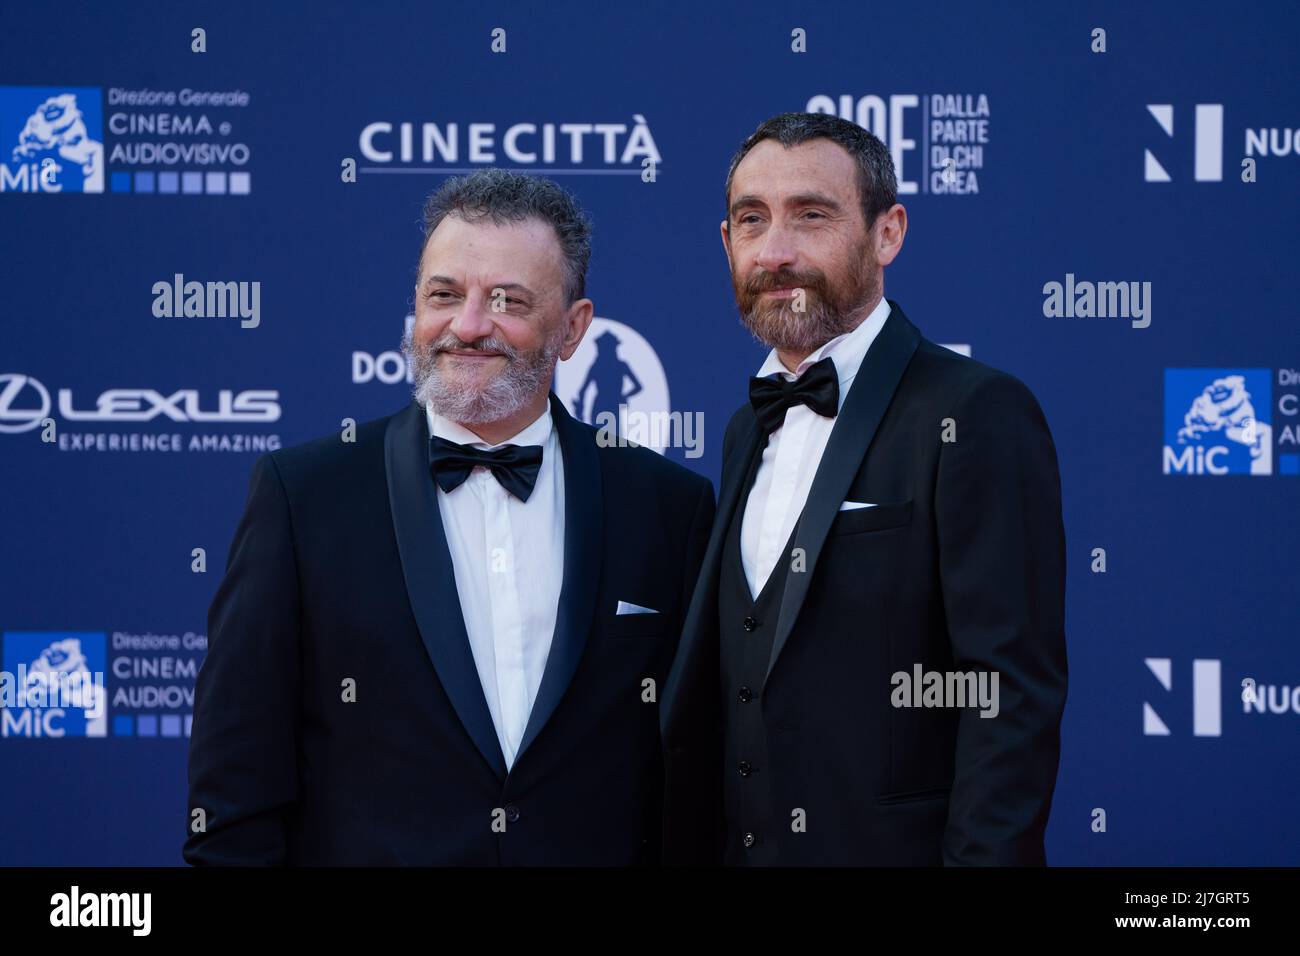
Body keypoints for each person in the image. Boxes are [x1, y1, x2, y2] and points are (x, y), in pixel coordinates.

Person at [185, 168, 715, 865]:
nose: (467, 326)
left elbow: (698, 775)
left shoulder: (667, 507)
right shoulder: (304, 496)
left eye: (506, 300)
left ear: (573, 327)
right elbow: (233, 792)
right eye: (443, 295)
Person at [661, 112, 1068, 866]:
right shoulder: (742, 432)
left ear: (889, 233)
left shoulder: (974, 411)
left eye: (811, 216)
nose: (777, 251)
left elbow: (1005, 699)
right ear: (727, 245)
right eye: (753, 221)